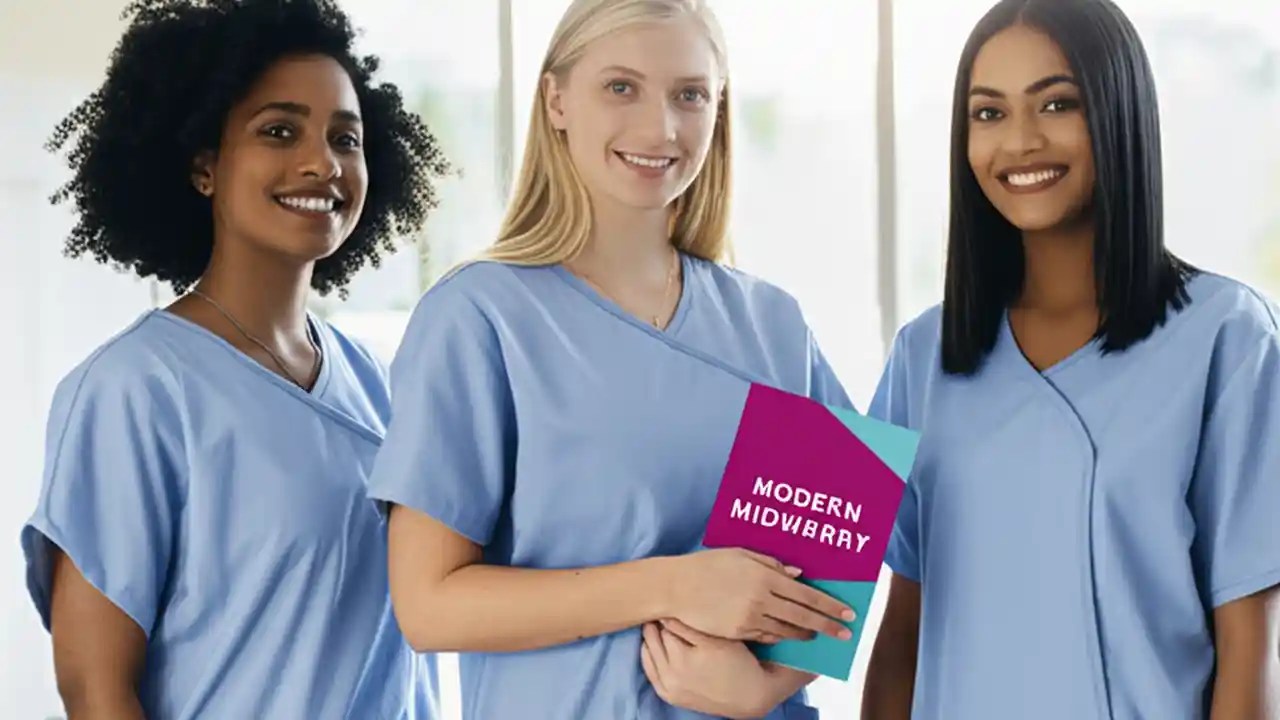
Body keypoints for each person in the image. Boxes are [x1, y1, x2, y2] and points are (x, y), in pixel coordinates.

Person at [366, 0, 856, 718]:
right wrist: (671, 585)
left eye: (690, 95)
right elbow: (428, 606)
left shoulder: (773, 324)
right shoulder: (480, 319)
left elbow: (834, 580)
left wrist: (760, 688)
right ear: (556, 99)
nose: (660, 128)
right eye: (621, 87)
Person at [20, 1, 450, 717]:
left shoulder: (373, 382)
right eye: (279, 131)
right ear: (203, 167)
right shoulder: (136, 390)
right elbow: (95, 687)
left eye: (346, 138)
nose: (323, 162)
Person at [861, 0, 1280, 718]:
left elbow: (1251, 649)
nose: (1020, 141)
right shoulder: (922, 357)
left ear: (1118, 113)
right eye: (988, 114)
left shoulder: (1226, 337)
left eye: (1056, 104)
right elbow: (902, 633)